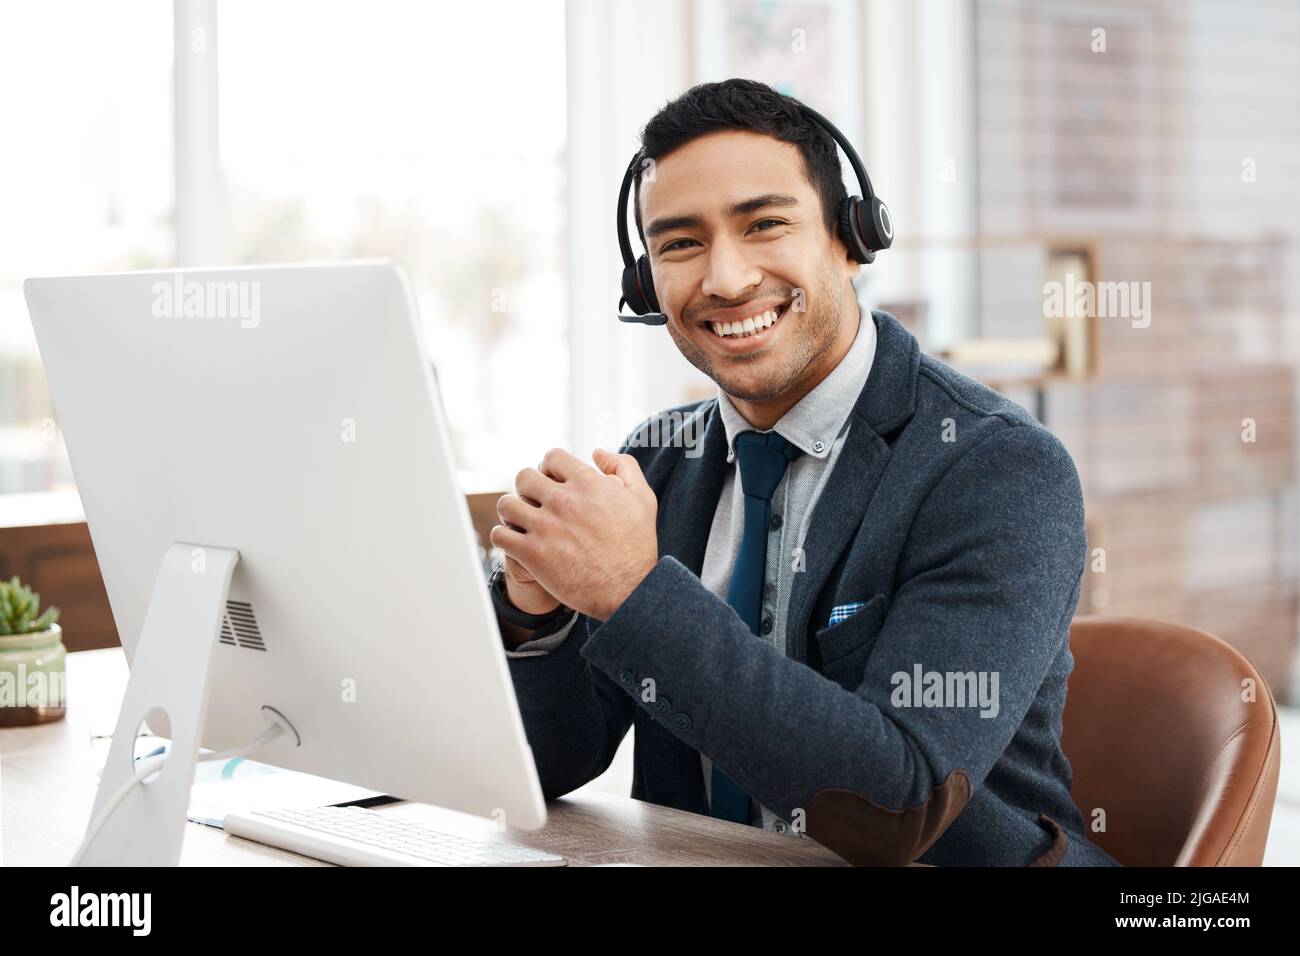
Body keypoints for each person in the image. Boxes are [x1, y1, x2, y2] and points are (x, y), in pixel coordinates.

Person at [486, 77, 1121, 866]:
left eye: (765, 225)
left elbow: (898, 806)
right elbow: (548, 768)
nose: (725, 279)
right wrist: (535, 613)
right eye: (680, 243)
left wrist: (631, 591)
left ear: (851, 239)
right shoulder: (657, 464)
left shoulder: (996, 469)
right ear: (645, 283)